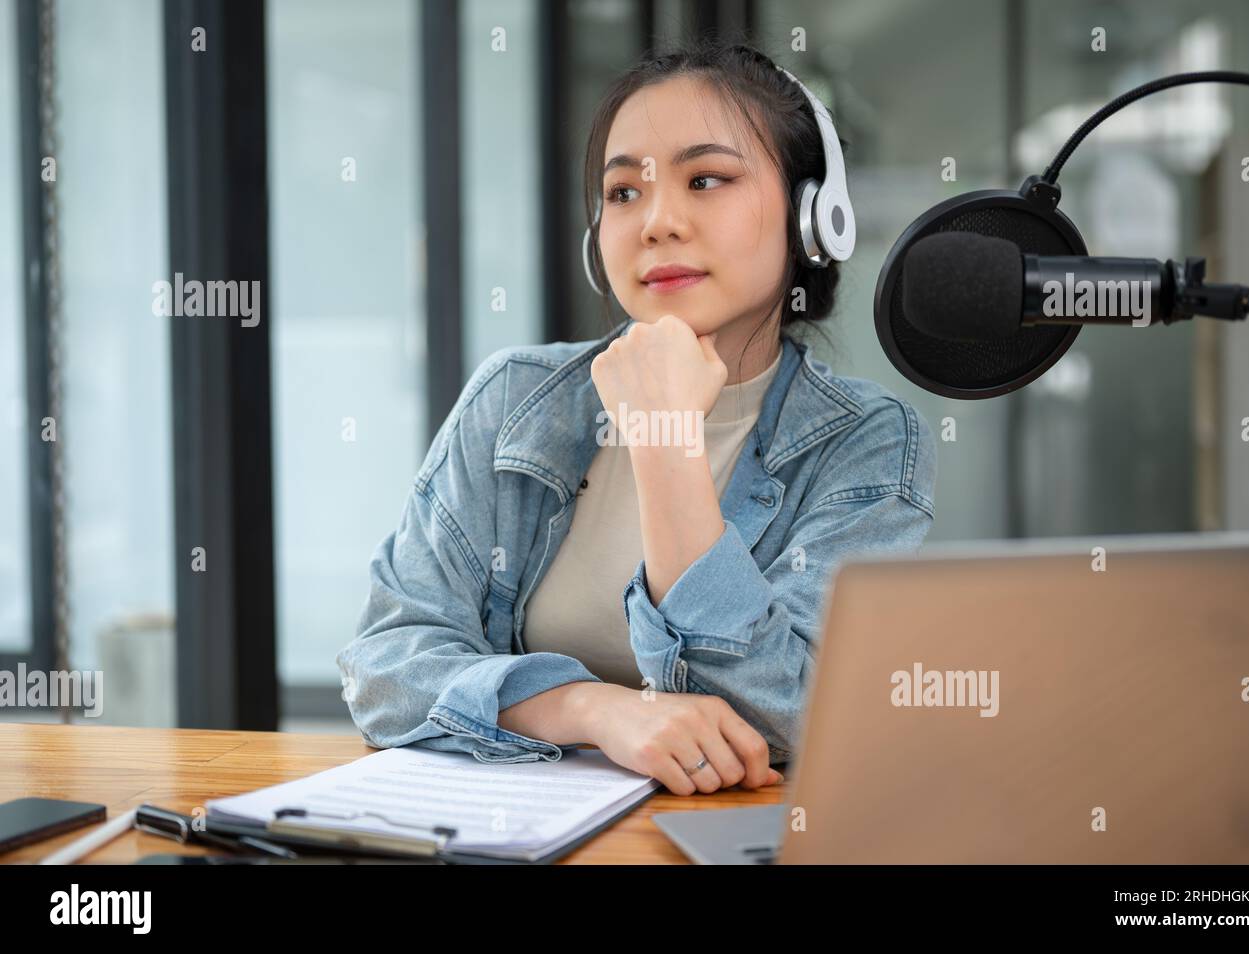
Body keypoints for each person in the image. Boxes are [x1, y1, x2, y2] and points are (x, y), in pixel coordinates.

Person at [336, 39, 937, 797]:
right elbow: (386, 664)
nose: (657, 222)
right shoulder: (515, 398)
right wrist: (588, 707)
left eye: (706, 179)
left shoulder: (870, 443)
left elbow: (788, 718)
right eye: (624, 192)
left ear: (813, 218)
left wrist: (665, 443)